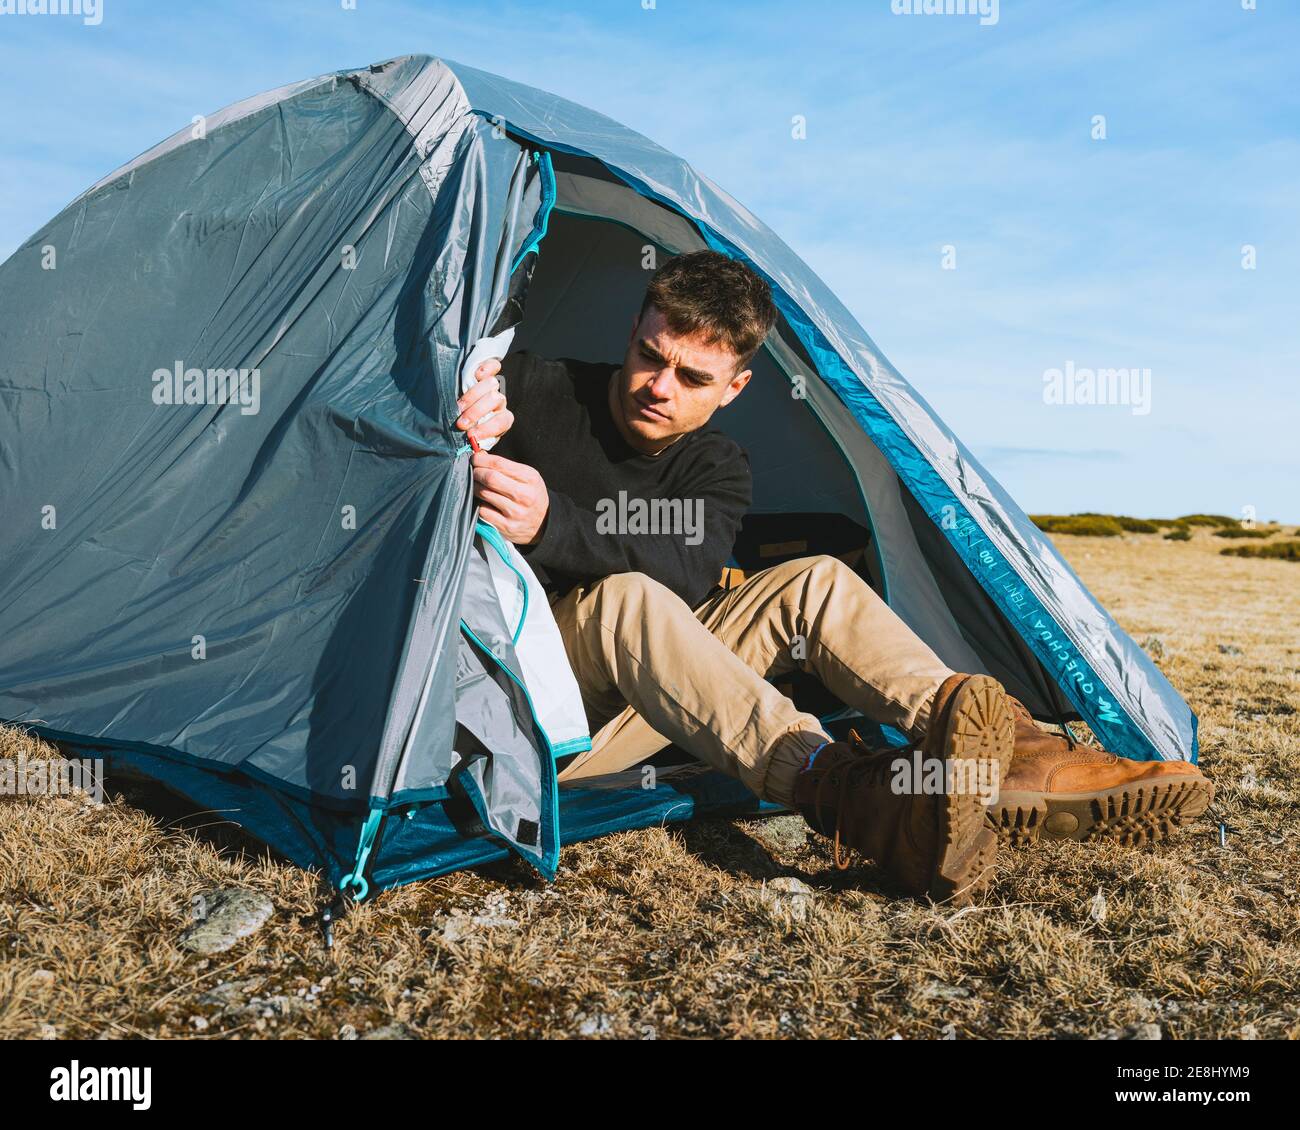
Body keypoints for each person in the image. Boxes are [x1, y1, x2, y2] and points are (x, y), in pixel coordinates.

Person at [453, 250, 1212, 905]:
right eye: (651, 356)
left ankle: (1020, 754)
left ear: (734, 389)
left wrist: (556, 523)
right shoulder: (529, 390)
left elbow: (687, 563)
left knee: (812, 577)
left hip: (646, 698)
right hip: (524, 705)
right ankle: (848, 793)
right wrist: (461, 396)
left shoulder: (716, 467)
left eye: (693, 376)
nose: (660, 385)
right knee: (628, 599)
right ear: (634, 334)